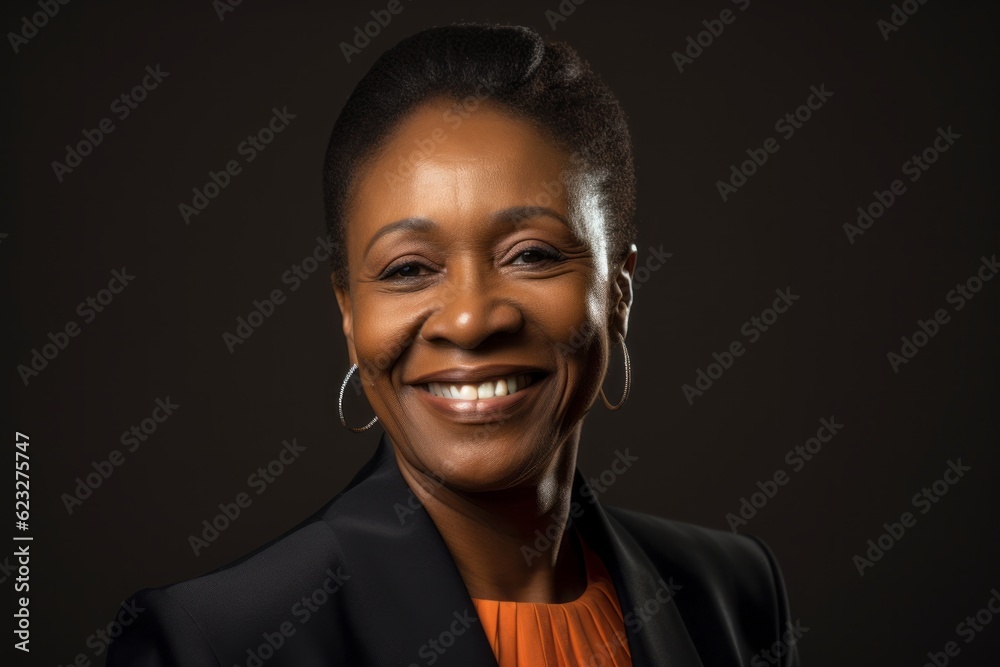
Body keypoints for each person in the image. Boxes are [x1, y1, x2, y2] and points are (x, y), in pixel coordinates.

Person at [107, 23, 799, 667]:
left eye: (530, 254)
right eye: (408, 268)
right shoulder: (211, 642)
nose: (470, 320)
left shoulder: (733, 599)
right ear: (349, 311)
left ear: (619, 290)